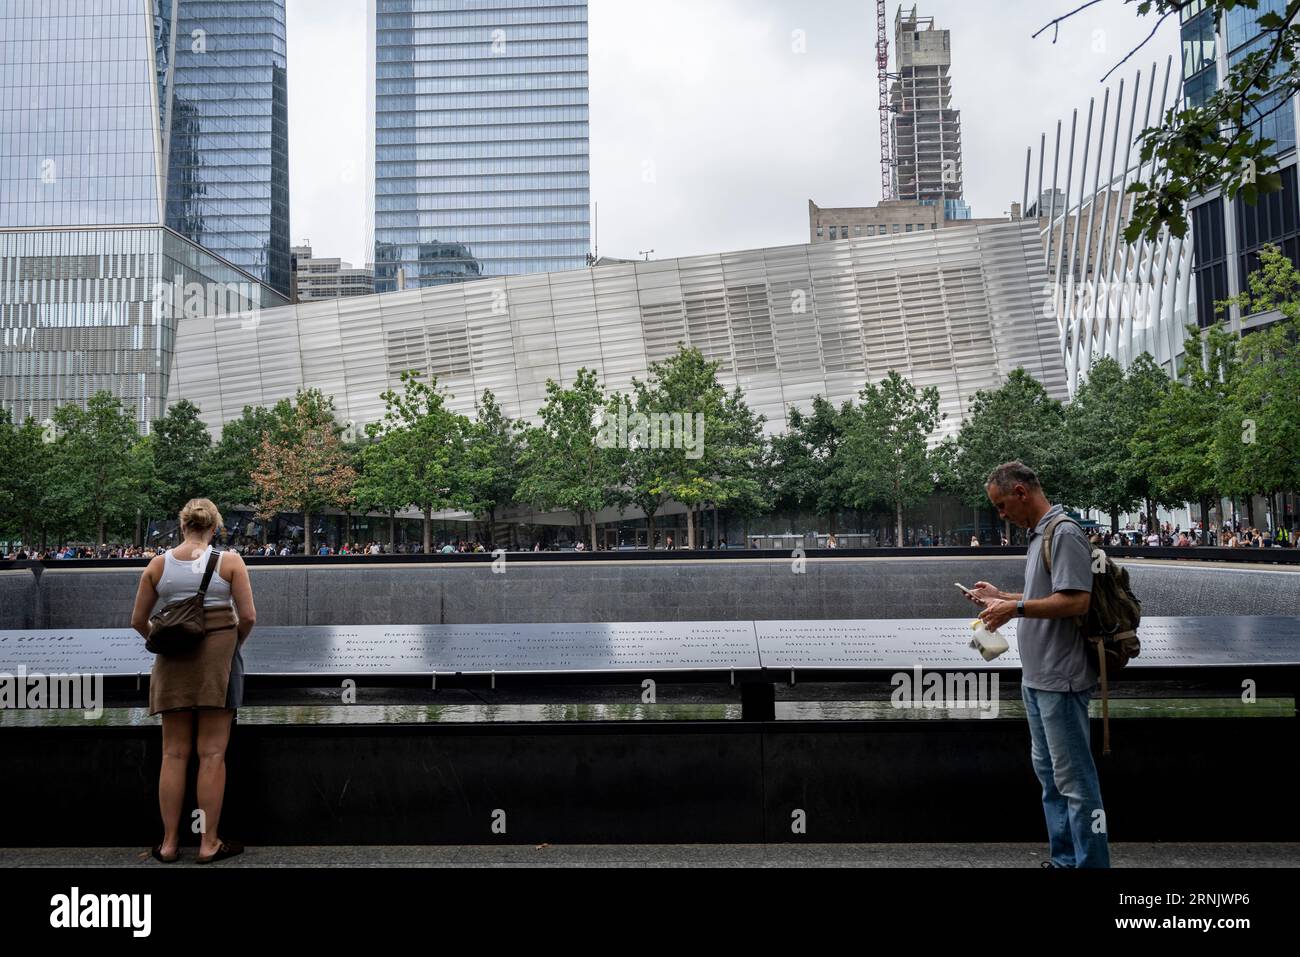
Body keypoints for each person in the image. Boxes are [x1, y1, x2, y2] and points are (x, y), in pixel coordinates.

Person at [965, 461, 1109, 869]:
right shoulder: (1039, 536)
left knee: (1076, 784)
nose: (1001, 514)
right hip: (1037, 680)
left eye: (1001, 505)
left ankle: (1093, 866)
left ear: (1021, 493)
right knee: (1051, 780)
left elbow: (1077, 600)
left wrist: (1017, 607)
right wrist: (1001, 597)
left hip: (1061, 680)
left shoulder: (1063, 533)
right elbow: (1044, 594)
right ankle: (1064, 861)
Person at [129, 498, 256, 864]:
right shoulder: (230, 562)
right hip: (219, 661)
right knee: (212, 754)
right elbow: (247, 616)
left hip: (173, 663)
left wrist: (169, 639)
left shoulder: (157, 565)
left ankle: (168, 844)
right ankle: (208, 843)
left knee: (173, 753)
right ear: (215, 527)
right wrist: (231, 645)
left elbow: (139, 620)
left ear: (182, 526)